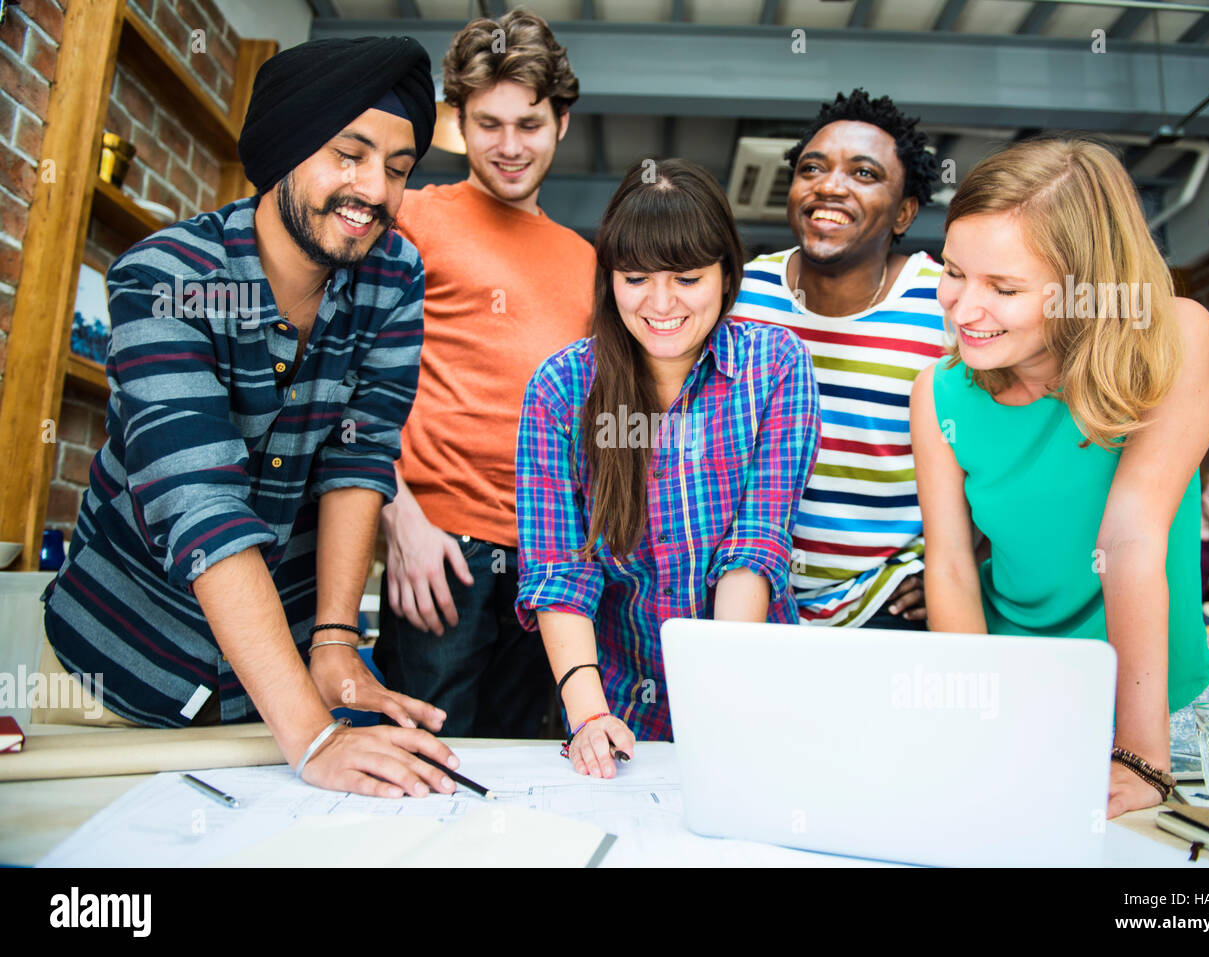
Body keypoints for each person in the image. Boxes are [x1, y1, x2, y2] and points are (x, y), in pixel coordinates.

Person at [39, 37, 464, 798]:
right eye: (350, 154)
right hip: (117, 680)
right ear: (288, 149)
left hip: (278, 691)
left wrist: (334, 640)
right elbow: (200, 505)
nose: (376, 190)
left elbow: (359, 459)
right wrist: (313, 739)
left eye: (399, 170)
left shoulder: (392, 277)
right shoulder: (164, 278)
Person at [911, 137, 1209, 818]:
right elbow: (953, 566)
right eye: (955, 272)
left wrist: (1140, 753)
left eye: (1005, 288)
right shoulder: (938, 393)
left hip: (1154, 707)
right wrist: (975, 717)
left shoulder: (1174, 337)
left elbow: (1133, 539)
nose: (962, 309)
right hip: (1016, 695)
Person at [515, 158, 820, 777]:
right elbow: (558, 573)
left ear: (726, 275)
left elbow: (755, 546)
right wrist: (588, 715)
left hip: (754, 690)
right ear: (609, 281)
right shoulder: (561, 388)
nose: (660, 304)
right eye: (636, 279)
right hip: (624, 704)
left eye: (686, 278)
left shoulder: (775, 366)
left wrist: (720, 705)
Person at [373, 9, 595, 738]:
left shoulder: (590, 263)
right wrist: (397, 515)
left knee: (530, 777)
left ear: (561, 122)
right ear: (457, 124)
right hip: (442, 553)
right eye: (487, 123)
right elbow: (343, 375)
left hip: (549, 560)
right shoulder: (410, 218)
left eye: (528, 124)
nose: (507, 146)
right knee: (429, 768)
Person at [729, 90, 946, 630]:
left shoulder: (945, 302)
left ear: (904, 212)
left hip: (884, 597)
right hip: (748, 595)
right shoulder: (740, 296)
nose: (830, 186)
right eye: (812, 168)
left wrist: (959, 563)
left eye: (864, 173)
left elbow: (998, 448)